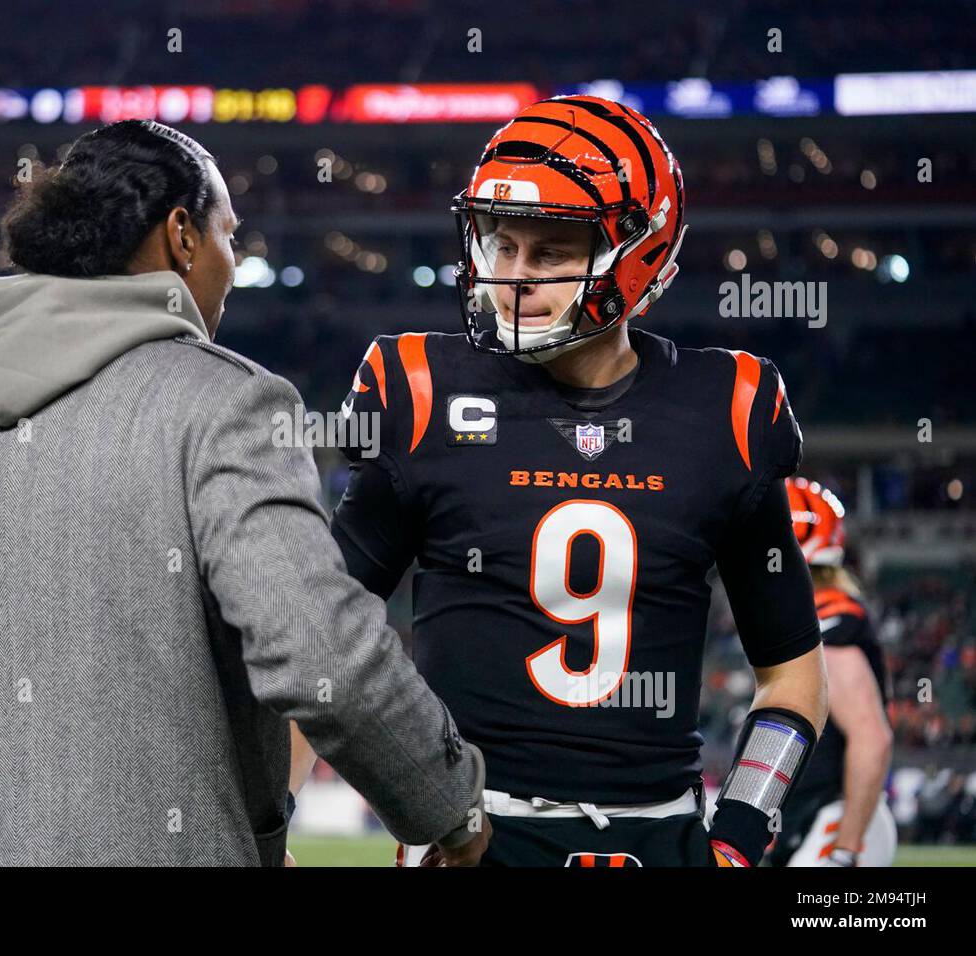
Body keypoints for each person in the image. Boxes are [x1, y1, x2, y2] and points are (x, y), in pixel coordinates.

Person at [0, 120, 489, 866]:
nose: (232, 264)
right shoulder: (227, 408)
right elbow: (315, 653)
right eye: (229, 237)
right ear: (181, 236)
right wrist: (445, 805)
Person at [319, 96, 827, 866]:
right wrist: (285, 819)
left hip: (662, 836)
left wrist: (738, 837)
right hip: (471, 837)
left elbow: (792, 676)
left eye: (550, 252)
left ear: (639, 250)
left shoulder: (726, 411)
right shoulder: (420, 392)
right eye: (501, 242)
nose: (513, 277)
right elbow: (315, 638)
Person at [769, 477, 895, 866]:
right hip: (815, 818)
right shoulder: (811, 612)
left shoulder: (827, 618)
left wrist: (844, 849)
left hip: (833, 820)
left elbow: (872, 738)